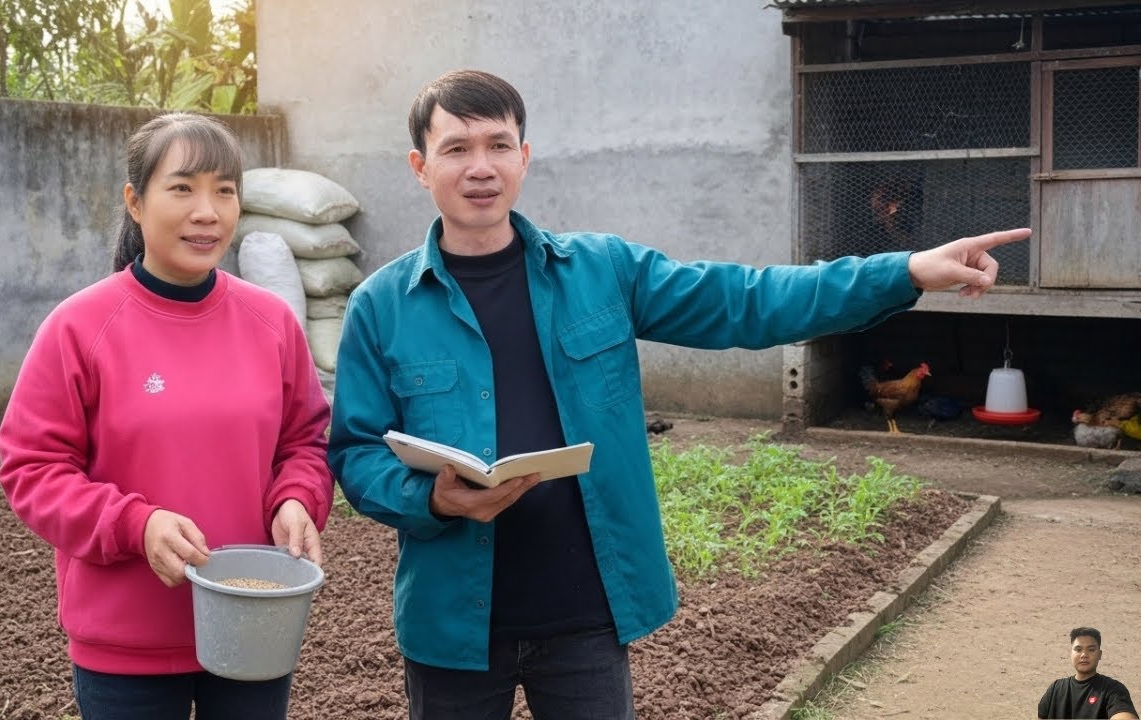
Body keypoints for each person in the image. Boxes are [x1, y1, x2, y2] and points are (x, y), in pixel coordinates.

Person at [325, 69, 1031, 720]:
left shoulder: (601, 271)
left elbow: (747, 301)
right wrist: (433, 499)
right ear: (421, 166)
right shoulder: (382, 306)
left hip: (586, 615)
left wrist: (905, 270)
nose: (480, 167)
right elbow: (357, 452)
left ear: (525, 157)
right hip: (452, 621)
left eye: (498, 145)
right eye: (456, 148)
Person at [0, 112, 332, 720]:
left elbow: (304, 442)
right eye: (182, 188)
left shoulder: (271, 323)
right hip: (125, 643)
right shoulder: (79, 327)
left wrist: (296, 499)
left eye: (224, 191)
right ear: (135, 201)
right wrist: (136, 525)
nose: (207, 212)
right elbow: (33, 468)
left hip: (254, 623)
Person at [1039, 627, 1138, 719]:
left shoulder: (1113, 689)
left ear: (1100, 654)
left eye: (1091, 650)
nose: (1084, 655)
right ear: (1071, 654)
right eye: (1078, 649)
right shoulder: (1055, 688)